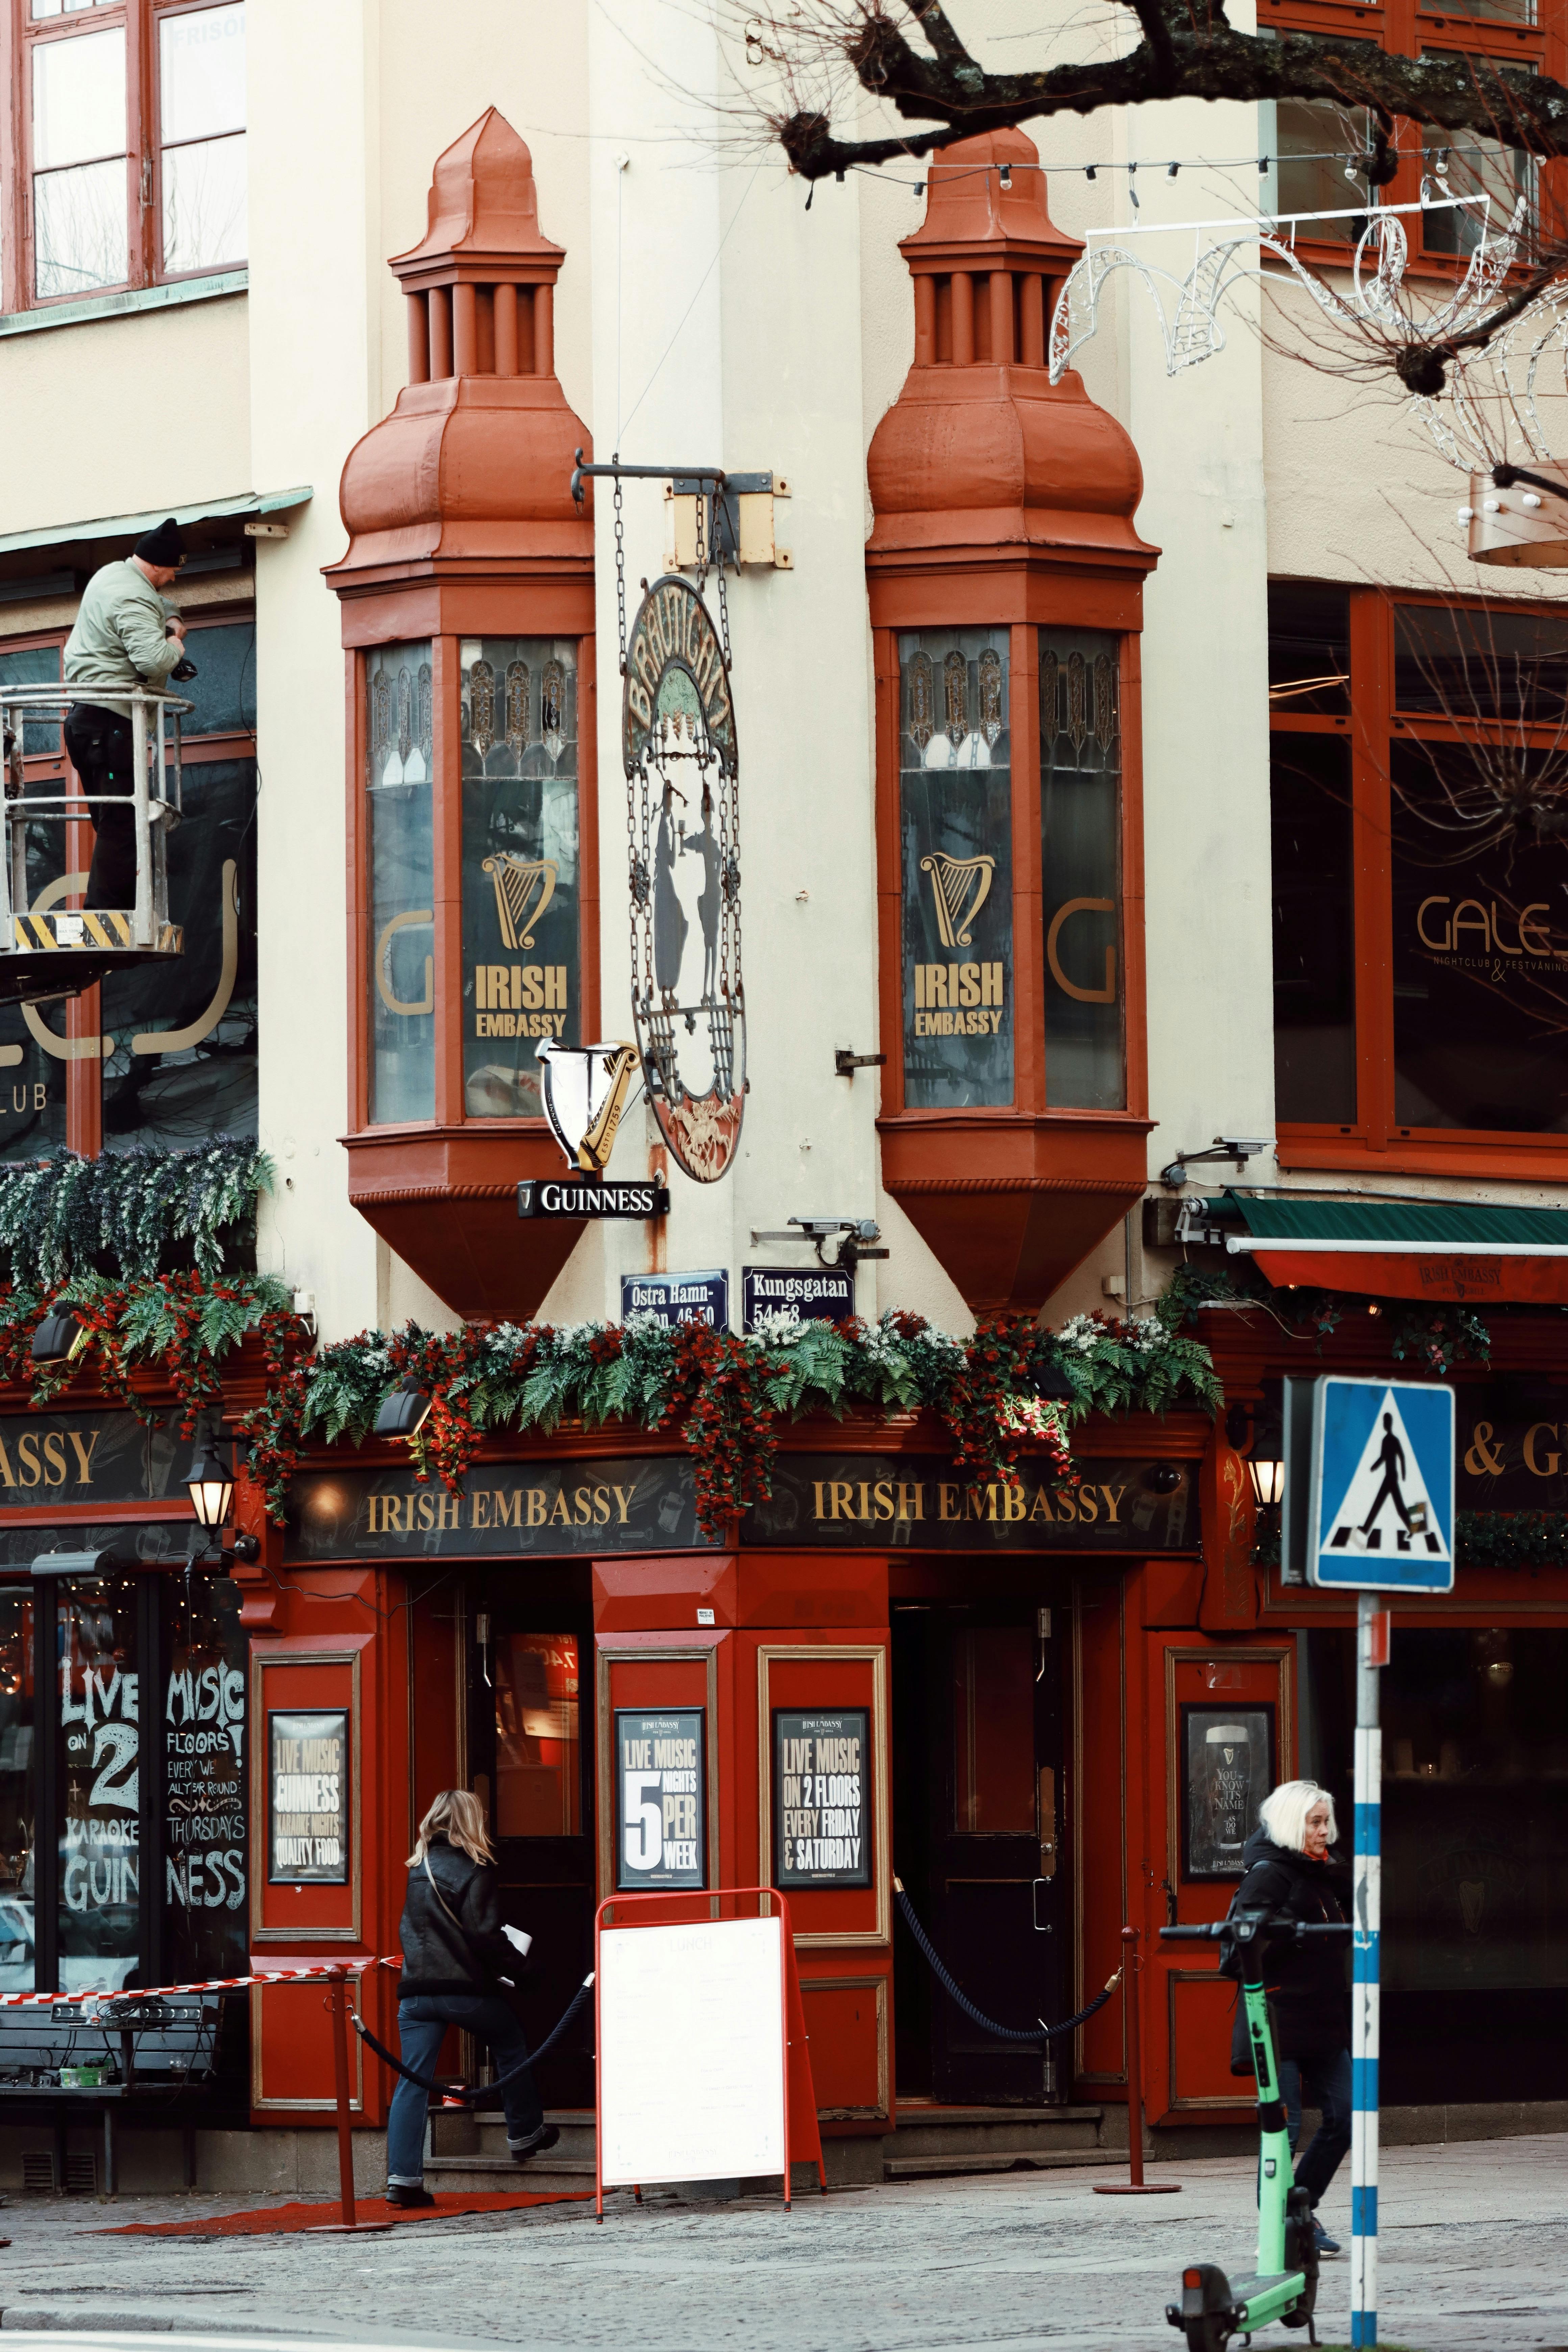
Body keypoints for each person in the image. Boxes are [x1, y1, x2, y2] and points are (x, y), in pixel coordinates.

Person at [385, 1787, 559, 2208]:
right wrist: (526, 1973)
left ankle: (402, 2180)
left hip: (415, 1994)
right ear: (471, 1822)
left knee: (412, 2082)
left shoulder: (418, 1868)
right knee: (509, 2039)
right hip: (461, 1991)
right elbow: (485, 1937)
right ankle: (523, 2133)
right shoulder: (474, 1870)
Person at [1230, 1778, 1351, 2256]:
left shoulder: (1322, 1874)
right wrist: (1286, 1931)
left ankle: (1300, 2208)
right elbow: (1238, 1953)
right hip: (1277, 2019)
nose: (1325, 1832)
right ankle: (1280, 2228)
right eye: (1315, 1823)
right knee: (1283, 2128)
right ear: (1290, 1824)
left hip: (1322, 2018)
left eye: (1327, 1822)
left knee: (1347, 2114)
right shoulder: (1268, 1875)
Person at [62, 517, 190, 910]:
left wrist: (171, 618)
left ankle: (110, 909)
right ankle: (105, 918)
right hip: (113, 722)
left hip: (86, 721)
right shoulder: (133, 597)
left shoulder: (112, 574)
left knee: (110, 820)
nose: (172, 580)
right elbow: (152, 660)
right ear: (157, 564)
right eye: (172, 571)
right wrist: (175, 646)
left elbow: (158, 600)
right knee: (123, 824)